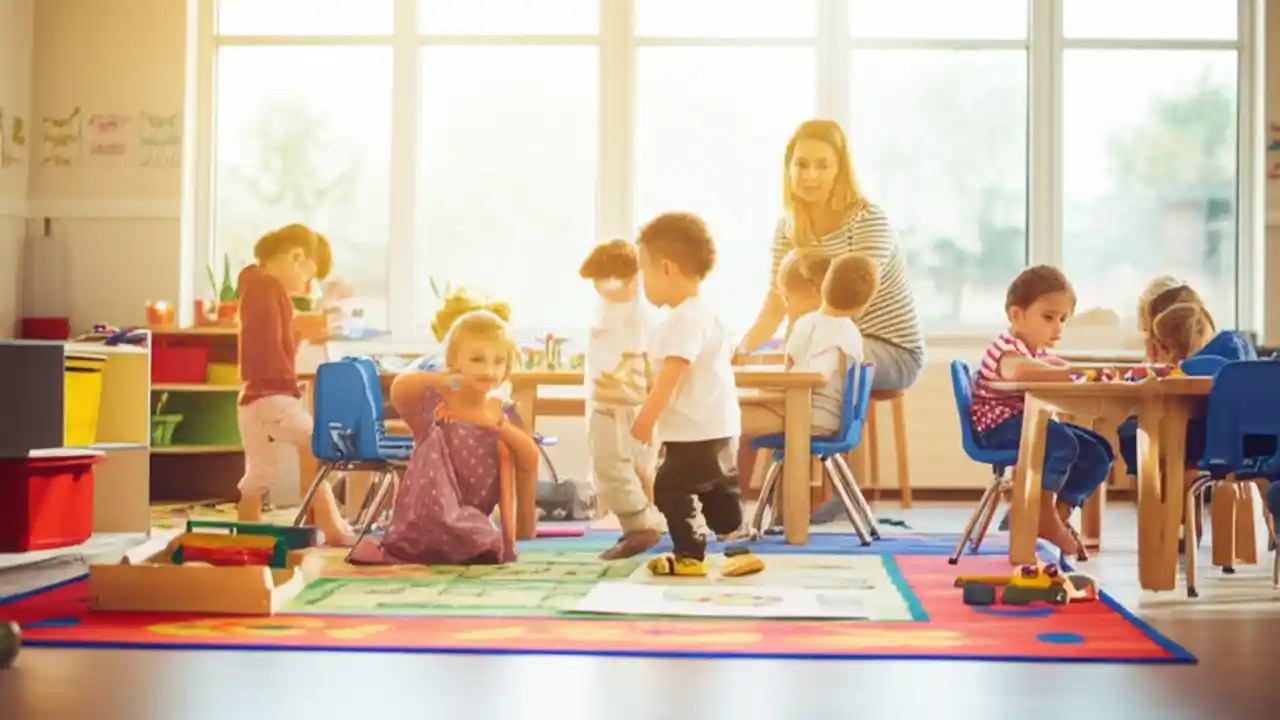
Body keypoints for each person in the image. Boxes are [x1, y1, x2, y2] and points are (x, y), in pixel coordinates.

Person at [738, 119, 923, 393]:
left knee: (806, 363)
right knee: (777, 368)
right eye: (801, 164)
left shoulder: (867, 219)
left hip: (892, 350)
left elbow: (855, 299)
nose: (810, 174)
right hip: (828, 340)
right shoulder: (787, 228)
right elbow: (776, 303)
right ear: (789, 169)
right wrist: (741, 350)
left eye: (822, 165)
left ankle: (802, 433)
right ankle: (776, 432)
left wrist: (802, 337)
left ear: (840, 171)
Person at [349, 309, 539, 565]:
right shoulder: (435, 405)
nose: (489, 370)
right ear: (454, 360)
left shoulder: (500, 412)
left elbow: (529, 460)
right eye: (477, 359)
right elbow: (400, 389)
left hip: (472, 520)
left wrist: (499, 428)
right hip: (424, 518)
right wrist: (444, 380)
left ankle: (458, 545)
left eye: (498, 361)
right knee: (479, 539)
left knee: (484, 537)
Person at [631, 212, 752, 578]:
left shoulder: (684, 318)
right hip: (720, 426)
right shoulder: (708, 313)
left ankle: (689, 552)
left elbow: (671, 376)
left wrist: (646, 417)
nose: (642, 283)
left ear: (666, 268)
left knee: (669, 487)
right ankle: (737, 545)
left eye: (644, 272)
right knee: (719, 488)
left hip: (693, 431)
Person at [969, 265, 1113, 558]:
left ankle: (1054, 514)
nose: (1057, 327)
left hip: (1024, 424)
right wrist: (1055, 370)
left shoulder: (1033, 350)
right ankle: (1042, 513)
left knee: (1098, 451)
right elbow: (1017, 370)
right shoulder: (1007, 346)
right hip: (998, 429)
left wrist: (1057, 367)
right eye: (1049, 317)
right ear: (1015, 315)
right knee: (1062, 443)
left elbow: (1042, 367)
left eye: (1063, 319)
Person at [236, 223, 355, 545]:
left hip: (252, 399)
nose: (307, 285)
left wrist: (298, 331)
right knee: (319, 448)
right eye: (308, 275)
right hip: (272, 396)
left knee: (258, 473)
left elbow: (267, 338)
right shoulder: (268, 288)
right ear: (296, 258)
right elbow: (268, 344)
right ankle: (328, 525)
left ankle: (248, 537)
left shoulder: (258, 287)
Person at [578, 239, 664, 560]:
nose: (611, 286)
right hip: (605, 400)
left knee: (624, 465)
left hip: (628, 402)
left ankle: (641, 524)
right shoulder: (603, 311)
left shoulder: (640, 315)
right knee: (614, 465)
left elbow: (650, 359)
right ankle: (640, 524)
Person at [741, 252, 877, 439]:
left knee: (730, 416)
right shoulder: (852, 334)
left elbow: (804, 376)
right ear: (865, 304)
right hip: (830, 417)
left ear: (822, 287)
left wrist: (758, 381)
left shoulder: (809, 324)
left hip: (811, 417)